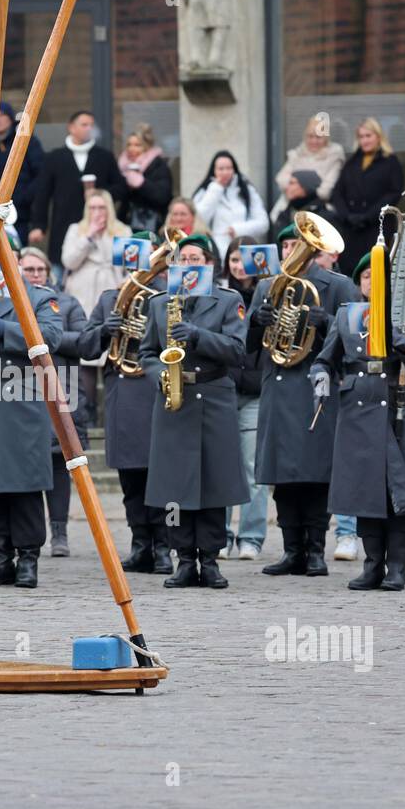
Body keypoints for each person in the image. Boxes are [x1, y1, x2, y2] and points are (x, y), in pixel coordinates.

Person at [247, 225, 358, 578]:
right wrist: (256, 323)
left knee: (315, 473)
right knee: (282, 475)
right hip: (279, 387)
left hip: (316, 387)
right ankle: (291, 549)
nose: (292, 250)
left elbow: (356, 340)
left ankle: (314, 550)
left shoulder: (337, 285)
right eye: (287, 245)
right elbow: (247, 351)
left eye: (298, 244)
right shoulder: (267, 286)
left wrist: (325, 322)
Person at [138, 233, 248, 588]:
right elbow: (146, 353)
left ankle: (211, 559)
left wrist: (198, 335)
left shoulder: (229, 301)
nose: (188, 265)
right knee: (174, 488)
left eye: (195, 258)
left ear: (209, 264)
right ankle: (183, 558)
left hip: (214, 395)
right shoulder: (159, 302)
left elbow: (237, 350)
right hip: (175, 398)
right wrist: (160, 376)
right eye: (182, 259)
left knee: (215, 483)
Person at [311, 310, 405, 591]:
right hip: (358, 406)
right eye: (366, 277)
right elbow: (323, 361)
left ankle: (397, 567)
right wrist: (320, 383)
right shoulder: (346, 314)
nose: (371, 282)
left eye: (375, 276)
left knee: (401, 491)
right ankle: (372, 565)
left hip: (396, 404)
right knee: (365, 490)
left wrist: (402, 342)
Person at [78, 232, 173, 575]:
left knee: (160, 476)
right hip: (122, 391)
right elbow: (87, 347)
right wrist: (105, 330)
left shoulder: (167, 295)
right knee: (130, 479)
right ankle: (141, 544)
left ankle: (164, 545)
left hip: (155, 390)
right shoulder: (109, 298)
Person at [0, 273, 64, 589]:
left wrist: (7, 329)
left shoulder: (37, 297)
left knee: (25, 485)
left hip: (21, 400)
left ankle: (27, 559)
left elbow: (51, 338)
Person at [18, 247, 87, 557]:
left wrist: (41, 337)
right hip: (20, 391)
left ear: (49, 273)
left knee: (60, 463)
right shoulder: (14, 302)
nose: (35, 275)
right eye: (28, 270)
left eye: (39, 270)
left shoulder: (67, 303)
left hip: (62, 389)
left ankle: (59, 532)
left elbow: (85, 341)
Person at [29, 110, 126, 265]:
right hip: (63, 225)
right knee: (61, 270)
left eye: (91, 125)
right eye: (84, 124)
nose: (89, 128)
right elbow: (42, 194)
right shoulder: (55, 157)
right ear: (71, 127)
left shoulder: (104, 157)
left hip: (99, 229)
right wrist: (39, 225)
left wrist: (101, 194)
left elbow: (121, 188)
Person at [221, 237, 267, 560]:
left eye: (245, 260)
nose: (239, 266)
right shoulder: (221, 295)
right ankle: (220, 535)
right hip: (225, 387)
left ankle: (251, 536)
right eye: (234, 260)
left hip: (254, 390)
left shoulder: (269, 293)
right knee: (222, 467)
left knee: (252, 468)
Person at [330, 118, 404, 274]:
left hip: (377, 227)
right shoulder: (352, 162)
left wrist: (368, 216)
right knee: (351, 271)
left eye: (368, 135)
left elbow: (394, 192)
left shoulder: (390, 161)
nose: (364, 140)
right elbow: (337, 192)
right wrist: (347, 216)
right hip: (351, 228)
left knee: (374, 270)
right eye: (361, 136)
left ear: (378, 136)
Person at [59, 188, 131, 314]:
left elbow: (131, 270)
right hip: (82, 290)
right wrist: (88, 237)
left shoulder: (122, 231)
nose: (97, 212)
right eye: (92, 208)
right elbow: (69, 262)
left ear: (109, 209)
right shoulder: (76, 229)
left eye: (101, 207)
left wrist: (122, 288)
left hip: (111, 288)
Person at [270, 115, 346, 225]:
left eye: (318, 137)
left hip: (320, 211)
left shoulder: (334, 155)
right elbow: (281, 179)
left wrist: (298, 185)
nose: (314, 141)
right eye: (310, 136)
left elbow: (325, 191)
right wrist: (301, 185)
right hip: (291, 210)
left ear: (325, 138)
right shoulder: (297, 154)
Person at [191, 150, 268, 259]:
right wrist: (216, 189)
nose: (225, 172)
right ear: (214, 170)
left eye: (229, 168)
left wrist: (238, 230)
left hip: (243, 249)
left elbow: (263, 223)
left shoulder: (246, 190)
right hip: (214, 251)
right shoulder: (205, 191)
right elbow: (199, 219)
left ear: (234, 169)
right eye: (221, 169)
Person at [0, 102, 45, 230]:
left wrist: (25, 197)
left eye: (2, 115)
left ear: (10, 118)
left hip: (21, 214)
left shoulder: (25, 141)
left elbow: (40, 173)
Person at [117, 123, 173, 234]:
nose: (132, 149)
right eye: (129, 144)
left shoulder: (158, 165)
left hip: (152, 225)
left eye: (137, 145)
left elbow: (163, 196)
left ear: (146, 147)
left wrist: (142, 183)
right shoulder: (122, 166)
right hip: (126, 224)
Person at [269, 170, 335, 242]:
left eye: (292, 183)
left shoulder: (325, 217)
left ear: (306, 186)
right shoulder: (284, 215)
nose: (287, 187)